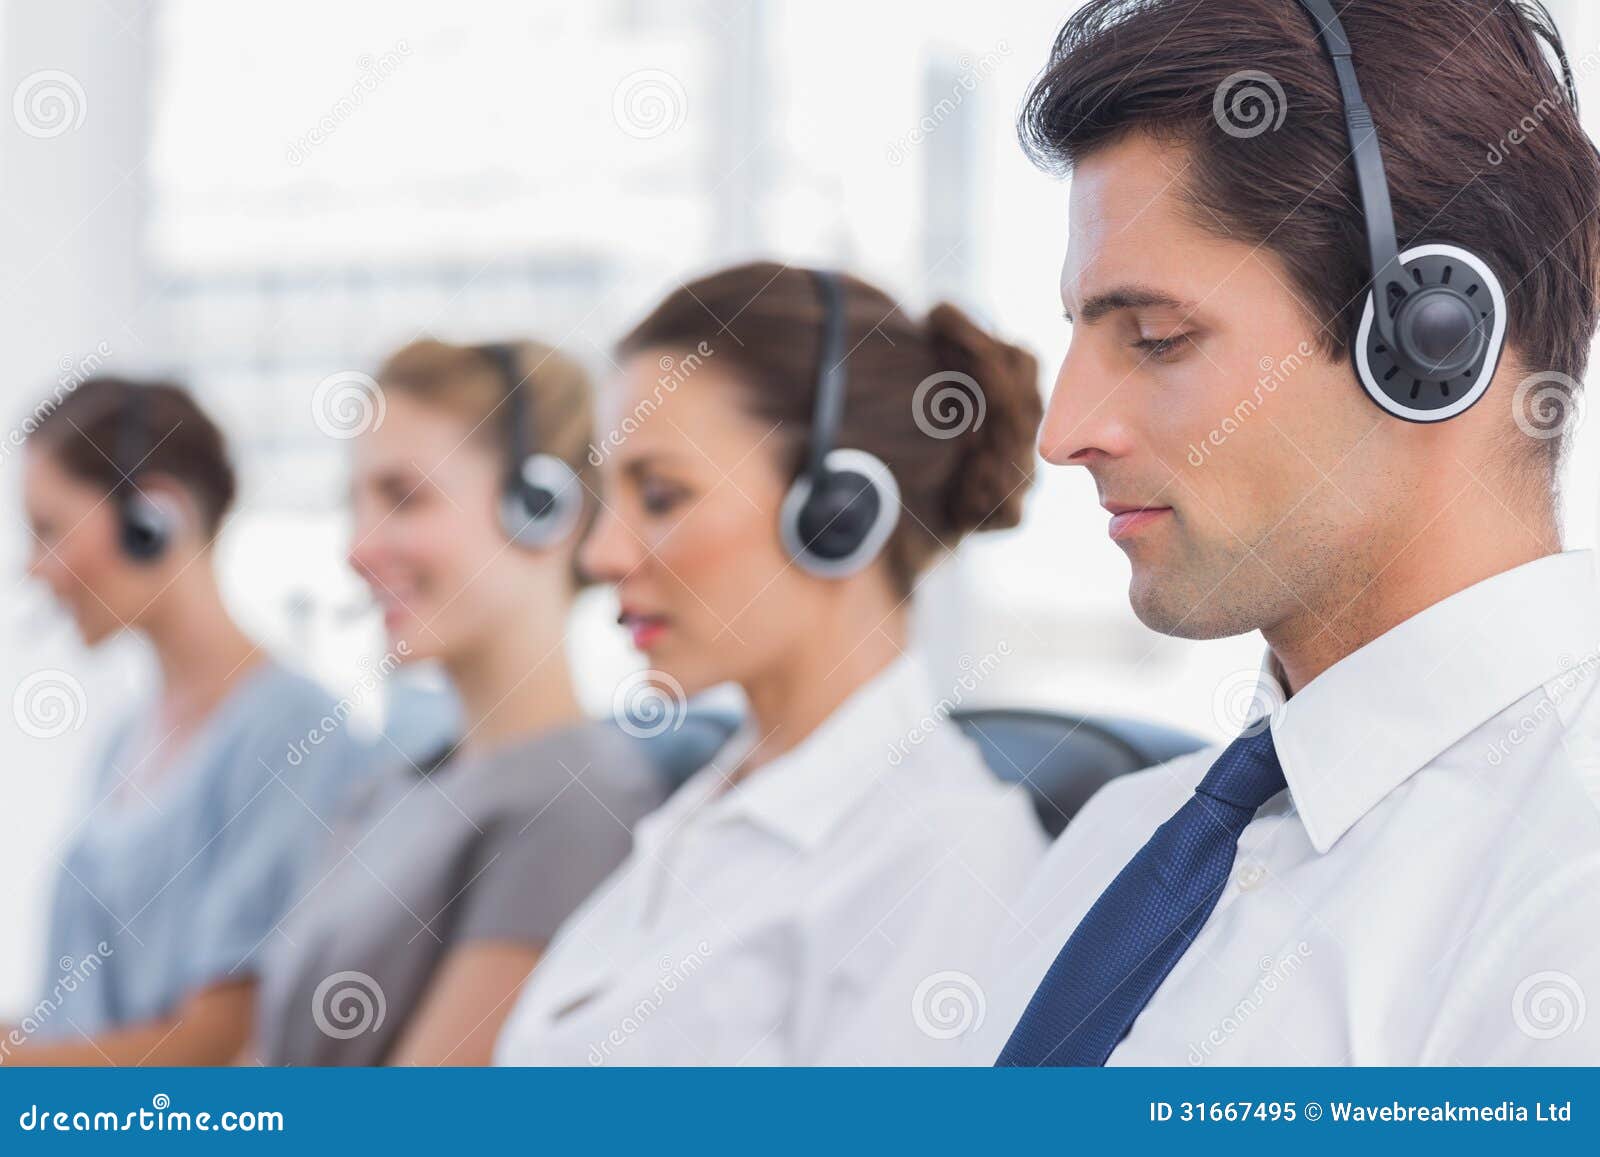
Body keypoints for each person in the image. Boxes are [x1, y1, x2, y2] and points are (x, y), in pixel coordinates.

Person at [977, 0, 1600, 1066]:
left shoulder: (1564, 885)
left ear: (1429, 336)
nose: (1063, 433)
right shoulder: (1116, 843)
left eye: (1158, 339)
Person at [493, 262, 1049, 1066]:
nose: (602, 553)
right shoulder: (709, 808)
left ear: (836, 511)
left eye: (660, 496)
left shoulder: (943, 859)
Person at [249, 339, 667, 1066]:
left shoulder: (571, 803)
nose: (357, 547)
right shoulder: (398, 782)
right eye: (355, 503)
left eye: (403, 497)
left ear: (542, 508)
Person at [12, 377, 368, 1065]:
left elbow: (216, 1042)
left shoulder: (290, 729)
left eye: (50, 529)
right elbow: (77, 1028)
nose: (36, 569)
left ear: (154, 518)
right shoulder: (123, 738)